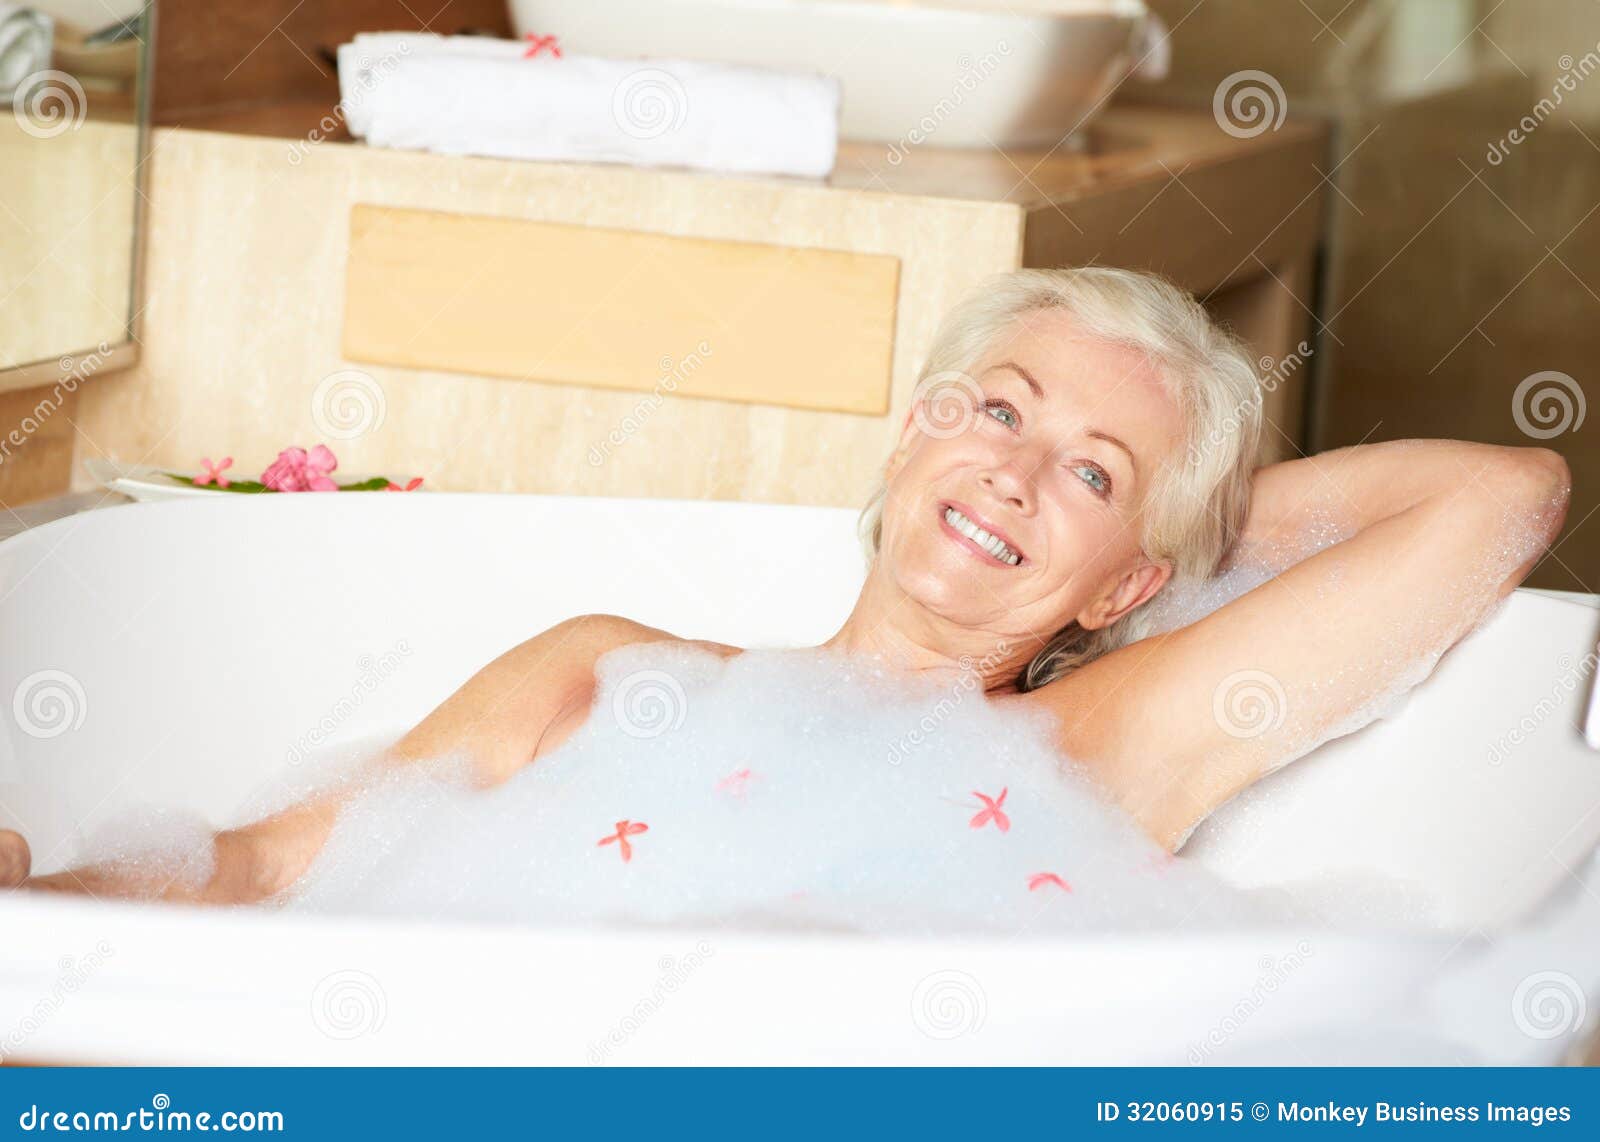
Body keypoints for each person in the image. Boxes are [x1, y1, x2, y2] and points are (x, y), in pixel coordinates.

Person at [0, 267, 1570, 903]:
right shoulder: (606, 662)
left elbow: (1505, 492)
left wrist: (1157, 552)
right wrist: (44, 914)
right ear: (917, 432)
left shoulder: (1102, 746)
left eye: (1091, 469)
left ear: (1132, 579)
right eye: (1001, 411)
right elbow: (270, 866)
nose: (1016, 473)